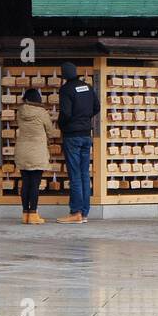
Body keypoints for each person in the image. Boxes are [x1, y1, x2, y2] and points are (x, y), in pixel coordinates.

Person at [56, 61, 99, 224]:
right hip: (86, 135)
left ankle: (76, 212)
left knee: (75, 175)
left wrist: (62, 125)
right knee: (84, 174)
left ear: (64, 75)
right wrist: (85, 119)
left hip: (72, 135)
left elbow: (65, 113)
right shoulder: (87, 87)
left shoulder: (66, 89)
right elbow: (97, 107)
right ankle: (84, 212)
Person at [14, 87, 55, 225]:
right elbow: (50, 131)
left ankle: (24, 213)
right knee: (35, 184)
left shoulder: (20, 111)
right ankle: (33, 214)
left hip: (22, 150)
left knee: (25, 183)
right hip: (37, 151)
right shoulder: (42, 113)